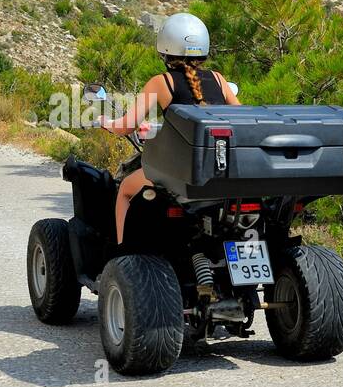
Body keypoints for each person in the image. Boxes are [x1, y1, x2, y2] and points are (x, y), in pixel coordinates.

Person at [98, 13, 240, 245]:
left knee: (124, 189)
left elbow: (126, 127)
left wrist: (106, 123)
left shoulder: (161, 82)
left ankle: (122, 255)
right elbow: (240, 120)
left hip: (182, 173)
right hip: (221, 172)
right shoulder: (219, 79)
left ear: (166, 47)